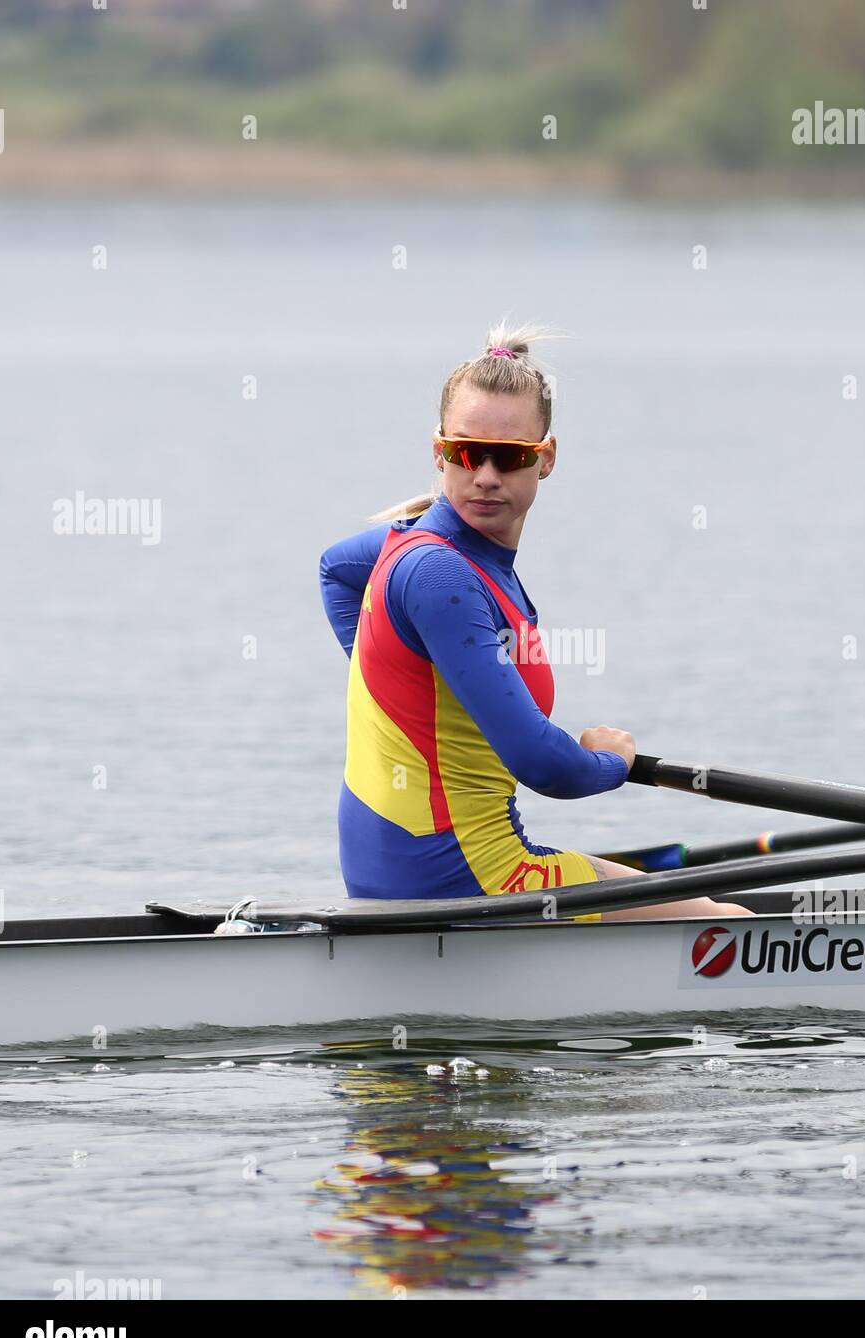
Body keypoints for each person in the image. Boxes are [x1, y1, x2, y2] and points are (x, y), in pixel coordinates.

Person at [320, 322, 750, 921]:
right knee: (731, 926)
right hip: (467, 878)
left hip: (393, 873)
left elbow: (335, 570)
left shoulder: (410, 548)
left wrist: (412, 680)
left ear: (545, 459)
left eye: (511, 457)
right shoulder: (442, 575)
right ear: (439, 450)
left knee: (684, 896)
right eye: (467, 453)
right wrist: (611, 763)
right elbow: (543, 765)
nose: (487, 475)